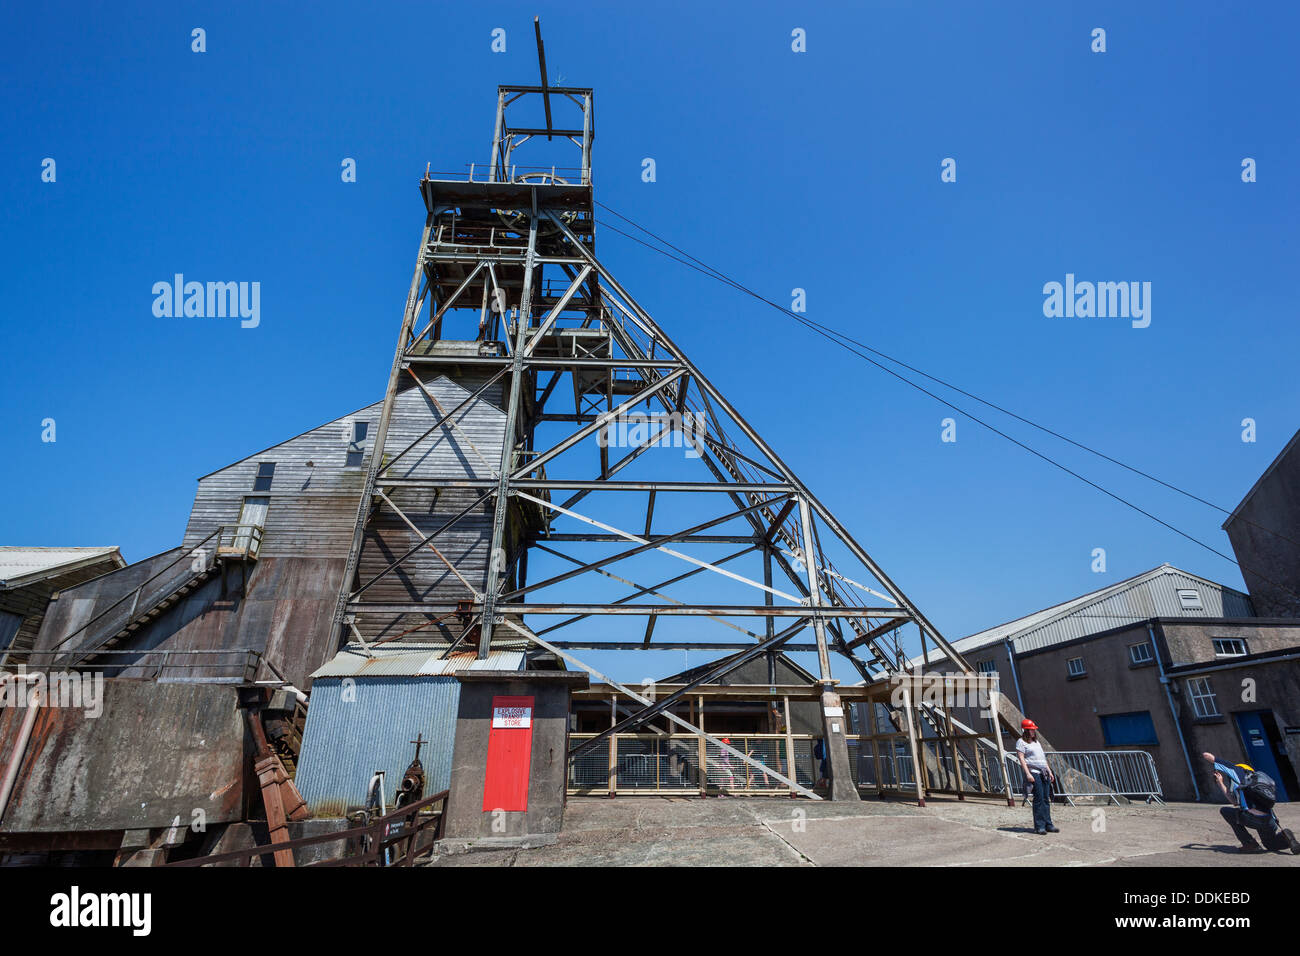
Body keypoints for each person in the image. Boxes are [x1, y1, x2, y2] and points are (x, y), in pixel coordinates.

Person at [1202, 752, 1299, 854]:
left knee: (1225, 811)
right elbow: (1235, 802)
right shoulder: (1256, 783)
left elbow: (1207, 756)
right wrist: (1220, 783)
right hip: (1270, 821)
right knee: (1270, 845)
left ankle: (1249, 844)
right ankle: (1287, 838)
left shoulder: (1236, 771)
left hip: (1252, 818)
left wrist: (1205, 755)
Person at [1015, 719, 1058, 834]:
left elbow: (1043, 759)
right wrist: (1028, 774)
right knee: (1038, 799)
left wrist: (1049, 771)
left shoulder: (1036, 742)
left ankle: (1048, 824)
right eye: (1031, 730)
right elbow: (1022, 759)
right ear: (1025, 730)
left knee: (1045, 798)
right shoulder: (1021, 742)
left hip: (1044, 772)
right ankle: (1039, 826)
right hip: (1034, 772)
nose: (1033, 732)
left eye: (1034, 730)